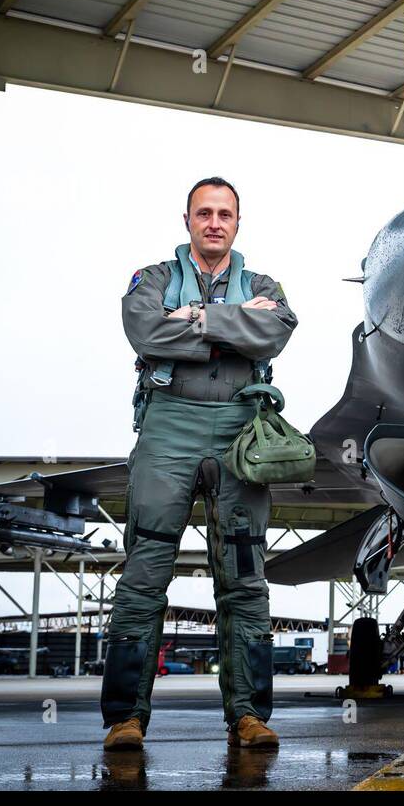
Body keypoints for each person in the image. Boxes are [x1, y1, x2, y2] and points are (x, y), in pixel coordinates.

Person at [102, 176, 298, 751]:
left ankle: (249, 716)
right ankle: (126, 719)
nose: (215, 222)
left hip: (242, 431)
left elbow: (277, 329)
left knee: (244, 576)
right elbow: (143, 330)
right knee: (144, 572)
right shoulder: (153, 279)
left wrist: (197, 319)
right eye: (204, 213)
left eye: (225, 214)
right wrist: (235, 322)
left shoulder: (265, 285)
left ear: (239, 223)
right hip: (168, 427)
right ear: (187, 220)